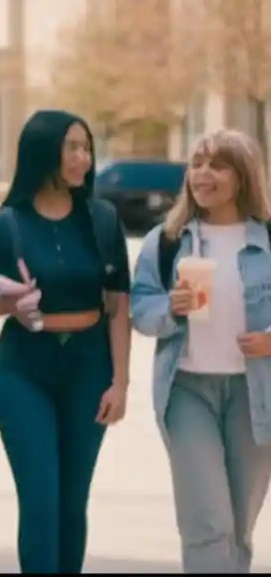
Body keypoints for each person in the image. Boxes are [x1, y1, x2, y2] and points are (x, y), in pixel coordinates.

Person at [0, 109, 131, 574]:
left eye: (87, 148)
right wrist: (11, 305)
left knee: (71, 503)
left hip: (90, 366)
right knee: (41, 503)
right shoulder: (6, 225)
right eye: (73, 148)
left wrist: (120, 382)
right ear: (45, 152)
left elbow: (118, 305)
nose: (84, 158)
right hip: (24, 370)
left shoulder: (102, 219)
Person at [129, 129, 271, 573]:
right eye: (197, 163)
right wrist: (169, 309)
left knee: (239, 529)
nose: (202, 174)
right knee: (207, 522)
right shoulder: (168, 240)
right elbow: (141, 306)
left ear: (243, 177)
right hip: (187, 391)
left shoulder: (267, 239)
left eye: (217, 165)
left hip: (255, 395)